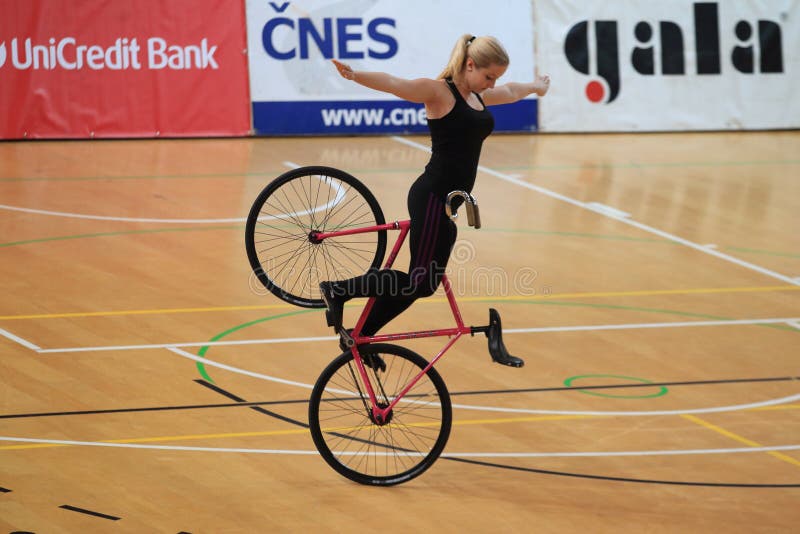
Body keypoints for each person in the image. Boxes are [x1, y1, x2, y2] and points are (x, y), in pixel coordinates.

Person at [320, 34, 550, 357]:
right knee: (417, 281)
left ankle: (361, 336)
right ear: (470, 65)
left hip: (447, 205)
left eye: (495, 78)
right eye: (488, 77)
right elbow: (394, 83)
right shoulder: (440, 93)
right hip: (431, 197)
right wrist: (355, 76)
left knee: (423, 285)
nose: (492, 84)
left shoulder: (477, 96)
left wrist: (536, 87)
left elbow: (511, 92)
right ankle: (339, 290)